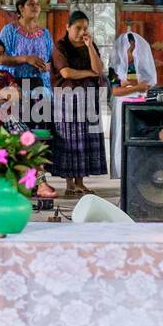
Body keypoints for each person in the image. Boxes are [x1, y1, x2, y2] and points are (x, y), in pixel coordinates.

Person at [50, 11, 107, 197]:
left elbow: (98, 69)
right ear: (67, 27)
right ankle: (69, 183)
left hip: (88, 97)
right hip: (67, 97)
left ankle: (80, 182)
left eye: (85, 28)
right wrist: (89, 73)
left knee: (85, 140)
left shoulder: (88, 44)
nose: (82, 32)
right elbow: (66, 73)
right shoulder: (60, 46)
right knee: (70, 139)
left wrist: (90, 46)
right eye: (77, 28)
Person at [108, 29, 158, 179]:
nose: (133, 53)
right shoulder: (114, 68)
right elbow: (116, 91)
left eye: (134, 49)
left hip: (139, 106)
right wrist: (137, 87)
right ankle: (123, 168)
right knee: (123, 138)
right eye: (129, 49)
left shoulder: (138, 66)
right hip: (123, 107)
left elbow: (148, 83)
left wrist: (134, 86)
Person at [0, 0, 53, 124]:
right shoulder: (10, 30)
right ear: (21, 8)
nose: (36, 7)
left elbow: (52, 59)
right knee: (17, 129)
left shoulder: (45, 33)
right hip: (15, 85)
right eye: (31, 4)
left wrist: (47, 66)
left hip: (40, 85)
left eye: (37, 4)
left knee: (41, 129)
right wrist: (25, 59)